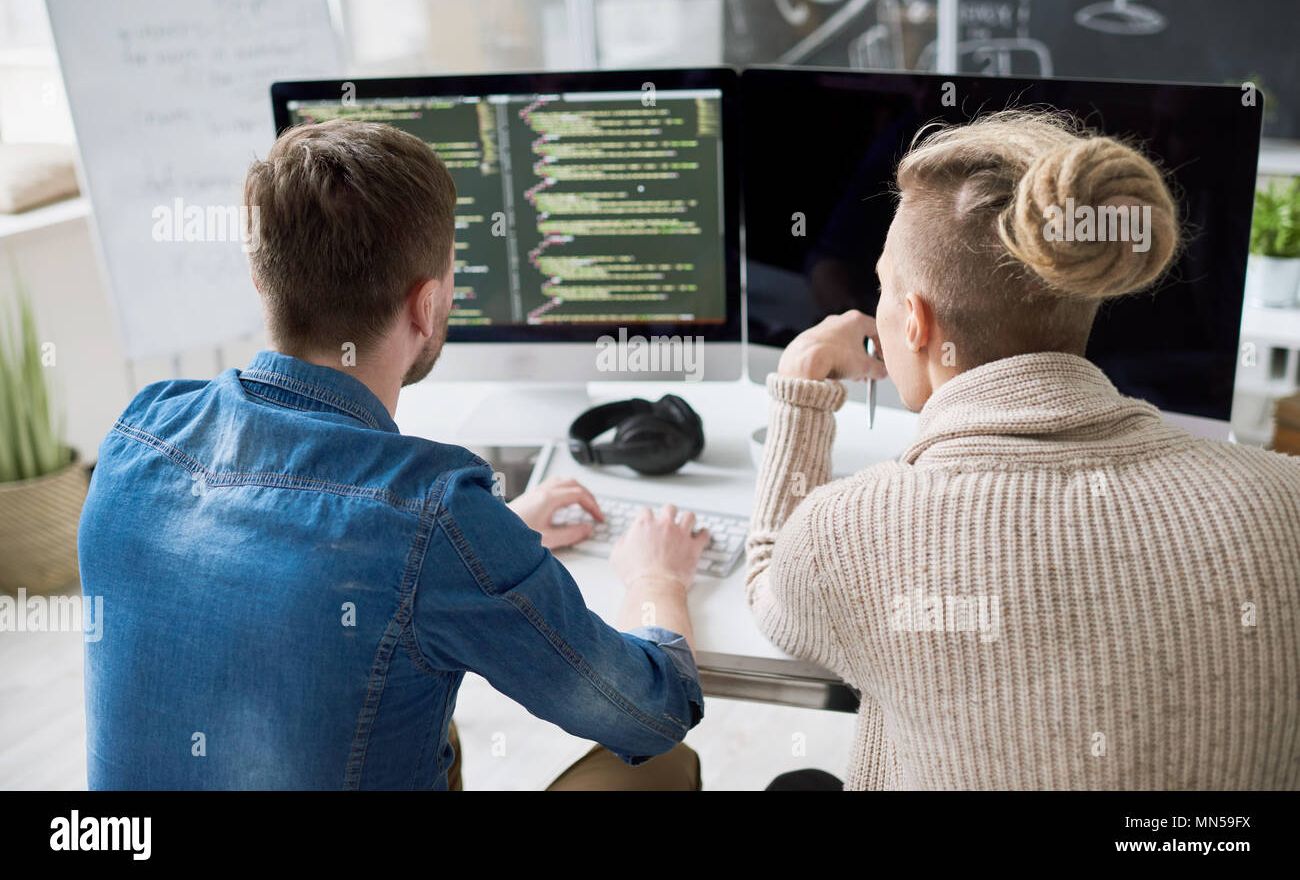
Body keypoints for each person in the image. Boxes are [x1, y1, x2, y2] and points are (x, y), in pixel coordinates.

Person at [78, 119, 709, 790]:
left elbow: (301, 564)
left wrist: (493, 541)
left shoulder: (136, 434)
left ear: (263, 282)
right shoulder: (434, 510)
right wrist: (656, 581)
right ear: (428, 304)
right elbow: (649, 712)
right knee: (666, 768)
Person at [748, 109, 1300, 790]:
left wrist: (802, 388)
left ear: (916, 321)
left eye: (886, 286)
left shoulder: (845, 532)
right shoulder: (1286, 495)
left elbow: (771, 596)